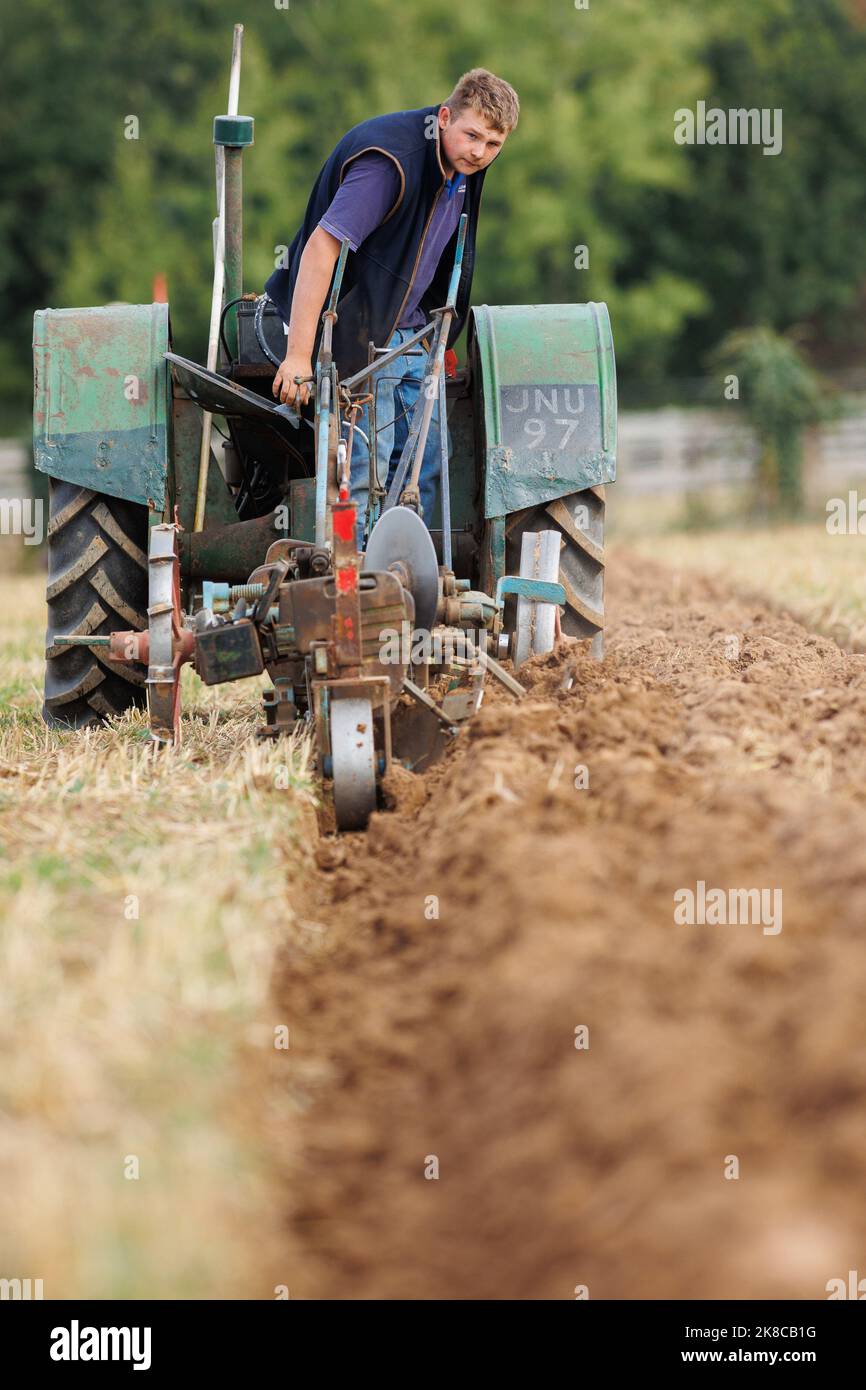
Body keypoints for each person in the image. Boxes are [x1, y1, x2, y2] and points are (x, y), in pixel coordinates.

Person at [266, 68, 518, 547]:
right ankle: (353, 588)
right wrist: (299, 356)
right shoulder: (389, 164)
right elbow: (323, 247)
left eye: (493, 145)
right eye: (471, 136)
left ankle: (408, 586)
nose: (479, 152)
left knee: (422, 476)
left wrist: (440, 337)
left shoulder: (464, 168)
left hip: (413, 337)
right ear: (444, 118)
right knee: (360, 473)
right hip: (356, 337)